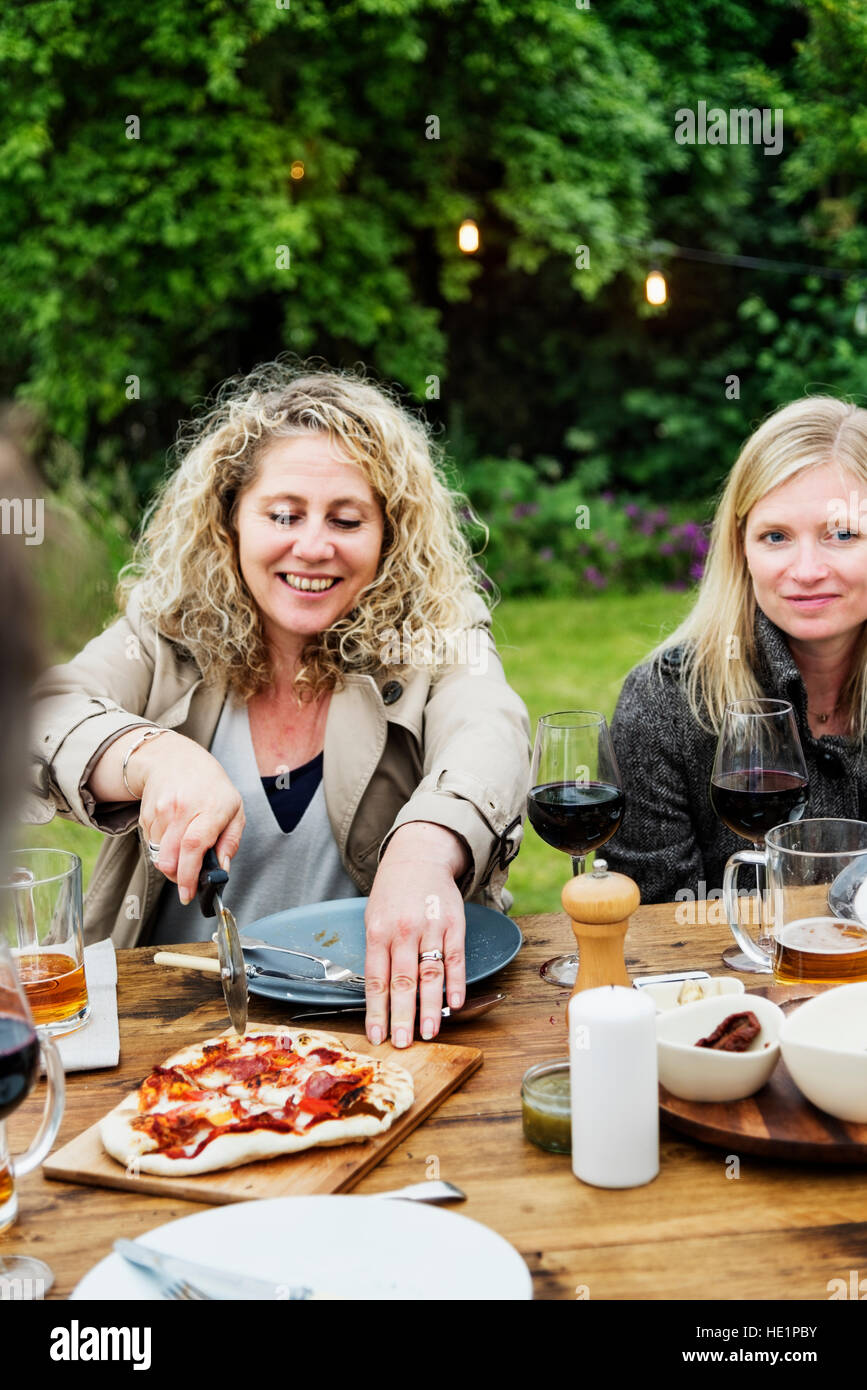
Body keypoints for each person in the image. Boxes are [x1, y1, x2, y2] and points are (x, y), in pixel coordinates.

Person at [27, 365, 530, 1046]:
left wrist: (425, 847)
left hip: (374, 1029)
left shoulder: (435, 630)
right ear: (230, 518)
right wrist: (152, 756)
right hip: (169, 1025)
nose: (313, 546)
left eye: (346, 519)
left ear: (389, 534)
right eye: (283, 514)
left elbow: (489, 728)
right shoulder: (165, 629)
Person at [607, 395, 867, 906]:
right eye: (776, 536)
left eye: (842, 533)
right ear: (741, 547)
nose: (807, 569)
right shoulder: (666, 702)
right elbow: (655, 930)